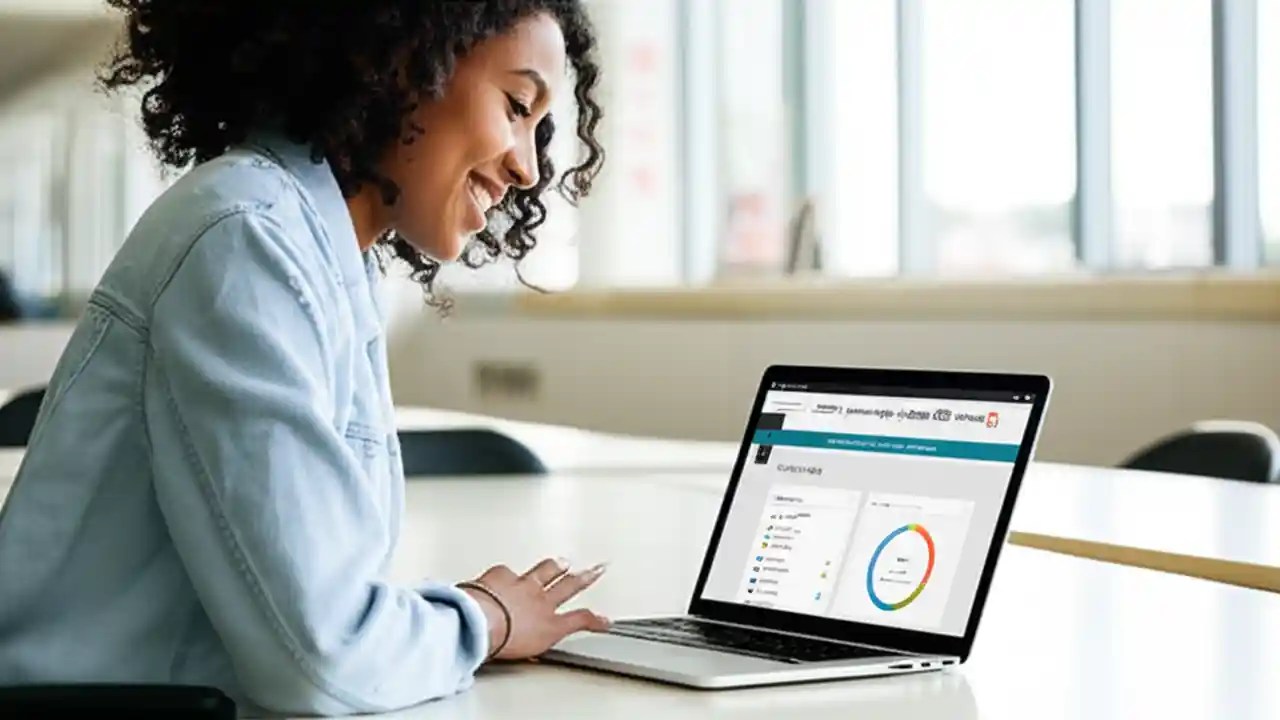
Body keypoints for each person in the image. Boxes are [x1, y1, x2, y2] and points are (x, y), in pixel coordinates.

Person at [0, 2, 610, 716]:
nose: (528, 167)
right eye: (516, 105)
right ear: (409, 59)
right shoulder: (246, 240)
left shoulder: (304, 240)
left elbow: (313, 618)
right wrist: (483, 618)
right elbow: (322, 659)